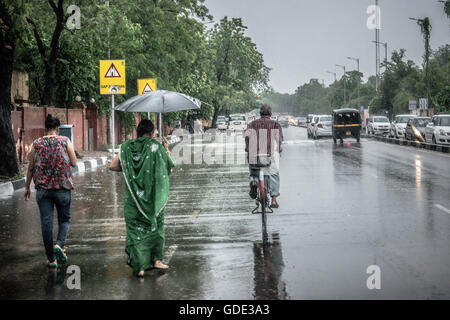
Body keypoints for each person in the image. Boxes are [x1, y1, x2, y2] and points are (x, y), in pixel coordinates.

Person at [109, 119, 176, 278]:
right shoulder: (156, 147)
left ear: (137, 132)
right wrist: (166, 150)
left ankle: (139, 267)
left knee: (135, 232)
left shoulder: (126, 147)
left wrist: (129, 170)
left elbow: (112, 166)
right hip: (154, 199)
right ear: (152, 132)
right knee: (156, 228)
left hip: (133, 200)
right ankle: (156, 261)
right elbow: (169, 166)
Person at [24, 114, 77, 269]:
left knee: (46, 222)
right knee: (64, 220)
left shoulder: (36, 143)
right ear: (58, 128)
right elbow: (74, 162)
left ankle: (51, 259)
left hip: (43, 190)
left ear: (45, 128)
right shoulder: (64, 141)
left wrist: (27, 187)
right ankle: (59, 245)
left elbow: (31, 167)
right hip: (63, 188)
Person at [244, 105, 283, 208]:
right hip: (268, 155)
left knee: (253, 173)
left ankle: (254, 182)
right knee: (274, 175)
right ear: (270, 114)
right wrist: (280, 148)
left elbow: (247, 138)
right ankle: (274, 200)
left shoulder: (251, 124)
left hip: (254, 155)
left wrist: (247, 148)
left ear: (260, 113)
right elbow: (279, 140)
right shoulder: (275, 124)